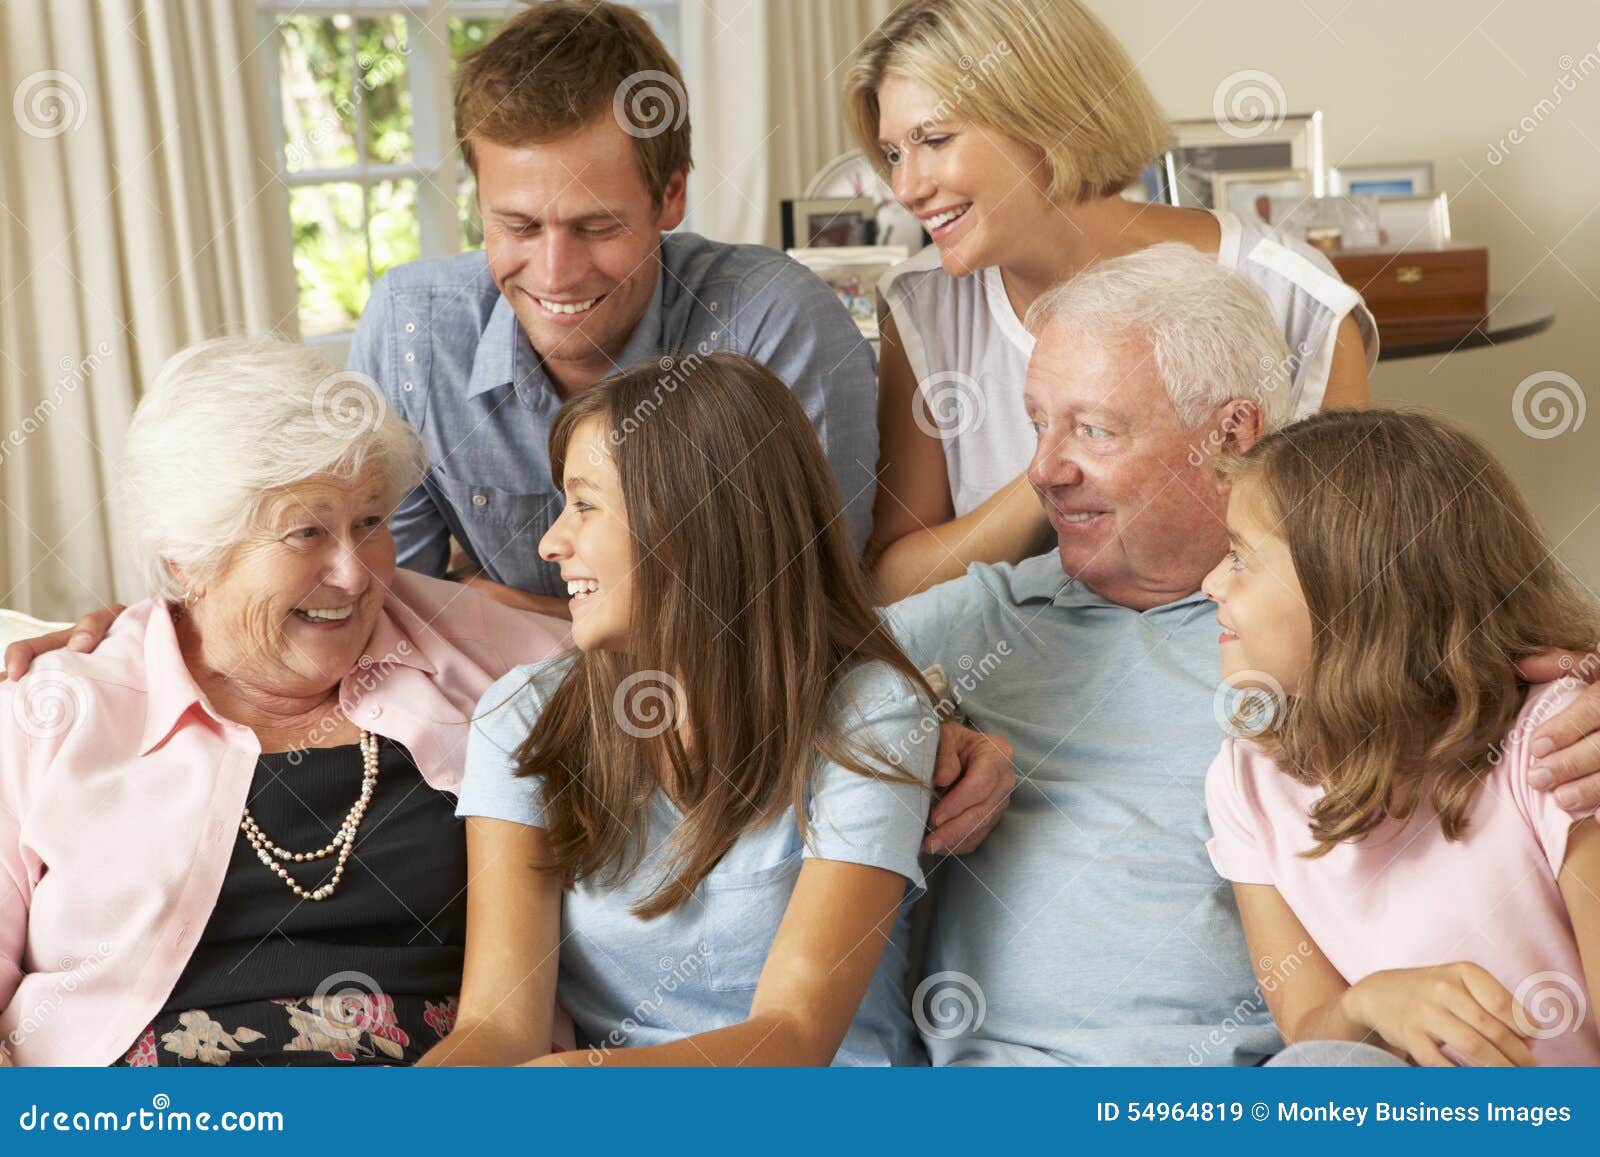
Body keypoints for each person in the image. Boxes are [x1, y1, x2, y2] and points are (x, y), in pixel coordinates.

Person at [879, 244, 1600, 1064]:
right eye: (1037, 421)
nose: (1042, 471)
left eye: (1092, 428)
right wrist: (923, 722)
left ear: (1230, 431)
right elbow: (769, 693)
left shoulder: (1339, 640)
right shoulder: (979, 621)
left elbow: (1492, 638)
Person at [0, 338, 568, 1066]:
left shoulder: (459, 642)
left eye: (370, 522)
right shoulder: (56, 712)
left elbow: (676, 664)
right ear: (192, 558)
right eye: (307, 532)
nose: (356, 574)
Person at [421, 353, 937, 1066]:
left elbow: (793, 1035)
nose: (551, 542)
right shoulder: (522, 714)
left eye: (586, 504)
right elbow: (499, 1026)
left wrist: (579, 1084)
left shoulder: (870, 715)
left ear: (694, 519)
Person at [354, 0, 878, 618]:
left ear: (672, 195)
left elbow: (804, 615)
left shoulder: (778, 322)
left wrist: (513, 615)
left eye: (596, 227)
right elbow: (389, 612)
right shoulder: (410, 330)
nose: (555, 274)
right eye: (518, 226)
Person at [844, 0, 1379, 600]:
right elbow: (892, 584)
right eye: (893, 154)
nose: (905, 188)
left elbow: (1349, 575)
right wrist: (1063, 464)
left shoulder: (1294, 297)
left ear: (1043, 115)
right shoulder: (928, 308)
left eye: (934, 140)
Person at [1202, 409, 1600, 1066]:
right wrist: (1368, 1003)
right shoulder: (1247, 779)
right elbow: (1308, 1024)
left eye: (1240, 557)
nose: (1211, 583)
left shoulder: (1559, 743)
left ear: (1352, 588)